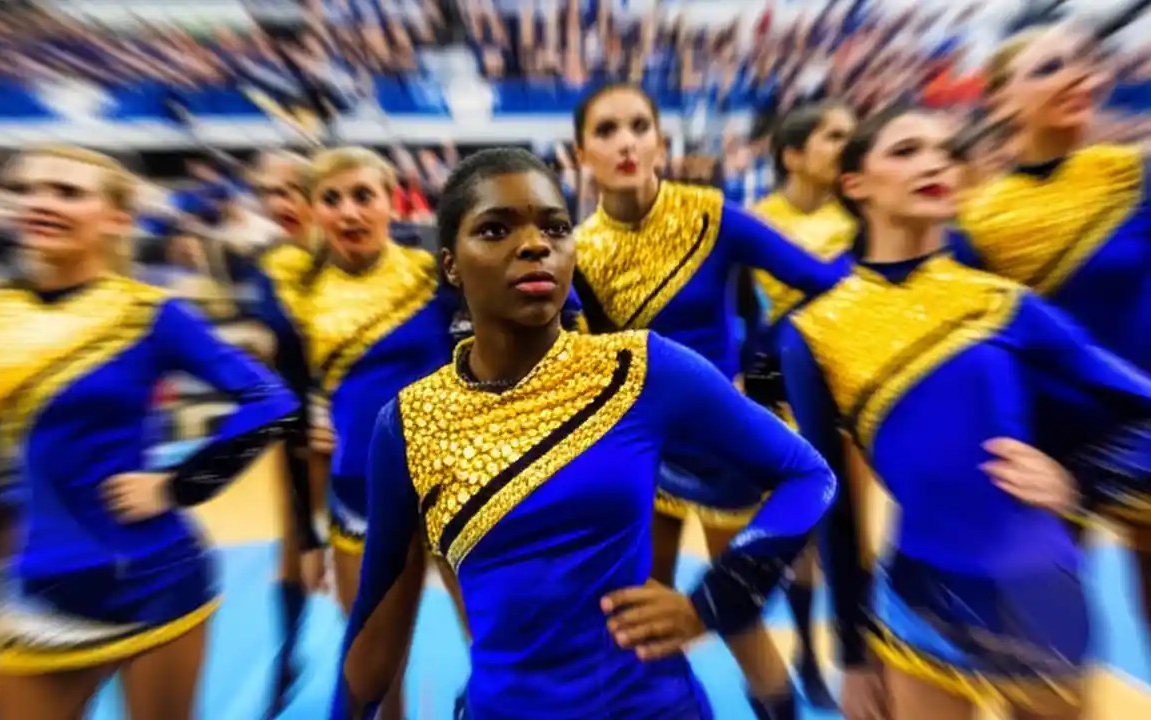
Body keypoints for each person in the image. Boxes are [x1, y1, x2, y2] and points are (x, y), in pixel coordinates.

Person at [333, 146, 838, 720]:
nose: (534, 245)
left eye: (555, 227)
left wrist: (716, 598)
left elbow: (809, 475)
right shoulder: (409, 423)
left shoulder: (643, 368)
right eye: (495, 229)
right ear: (450, 264)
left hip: (654, 708)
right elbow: (376, 635)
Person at [789, 104, 1151, 720]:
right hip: (915, 600)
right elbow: (836, 509)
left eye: (945, 152)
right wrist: (850, 653)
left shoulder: (1005, 304)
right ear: (855, 184)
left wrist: (1077, 482)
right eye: (906, 150)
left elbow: (1139, 409)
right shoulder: (812, 331)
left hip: (1039, 597)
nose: (934, 161)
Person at [0, 146, 300, 720]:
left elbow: (271, 401)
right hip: (39, 595)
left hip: (157, 581)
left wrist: (177, 485)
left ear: (116, 218)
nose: (41, 202)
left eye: (67, 192)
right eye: (29, 189)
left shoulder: (151, 315)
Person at [569, 81, 847, 719]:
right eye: (607, 131)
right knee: (634, 617)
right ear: (581, 152)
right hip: (639, 454)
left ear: (661, 143)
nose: (626, 142)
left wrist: (763, 370)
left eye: (639, 126)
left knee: (736, 617)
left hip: (728, 451)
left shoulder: (713, 215)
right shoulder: (576, 251)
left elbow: (817, 281)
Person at [959, 23, 1151, 631]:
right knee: (1046, 650)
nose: (1074, 77)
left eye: (1079, 63)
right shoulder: (975, 220)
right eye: (1046, 69)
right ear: (999, 100)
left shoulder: (1134, 175)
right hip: (1047, 449)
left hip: (1145, 423)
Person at [290, 145, 462, 720]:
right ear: (314, 211)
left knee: (498, 643)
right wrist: (307, 537)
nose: (348, 212)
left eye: (363, 195)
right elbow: (292, 425)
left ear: (392, 202)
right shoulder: (298, 296)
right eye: (331, 199)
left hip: (455, 484)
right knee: (375, 668)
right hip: (357, 495)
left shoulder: (436, 271)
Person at [748, 100, 859, 710]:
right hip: (777, 384)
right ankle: (809, 657)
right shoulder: (754, 219)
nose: (848, 144)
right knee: (804, 528)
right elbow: (740, 312)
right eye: (834, 135)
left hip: (854, 383)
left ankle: (855, 649)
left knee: (856, 525)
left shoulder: (862, 219)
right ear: (793, 155)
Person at [248, 148, 332, 718]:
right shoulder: (268, 270)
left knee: (417, 545)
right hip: (297, 426)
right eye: (268, 194)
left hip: (367, 419)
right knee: (294, 544)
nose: (277, 204)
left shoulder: (356, 257)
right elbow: (268, 358)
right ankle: (289, 654)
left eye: (289, 191)